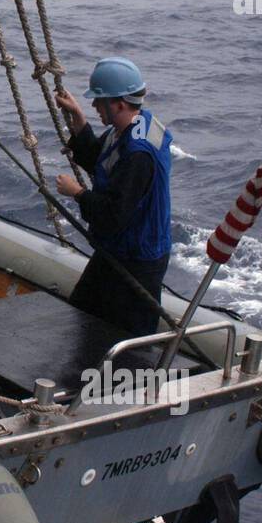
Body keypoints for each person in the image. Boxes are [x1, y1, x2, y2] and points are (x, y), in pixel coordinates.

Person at [55, 57, 173, 337]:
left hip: (136, 261)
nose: (95, 107)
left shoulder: (139, 154)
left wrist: (78, 193)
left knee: (131, 335)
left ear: (118, 104)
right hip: (119, 252)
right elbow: (104, 164)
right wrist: (81, 124)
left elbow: (113, 216)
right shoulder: (133, 127)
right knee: (83, 311)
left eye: (99, 101)